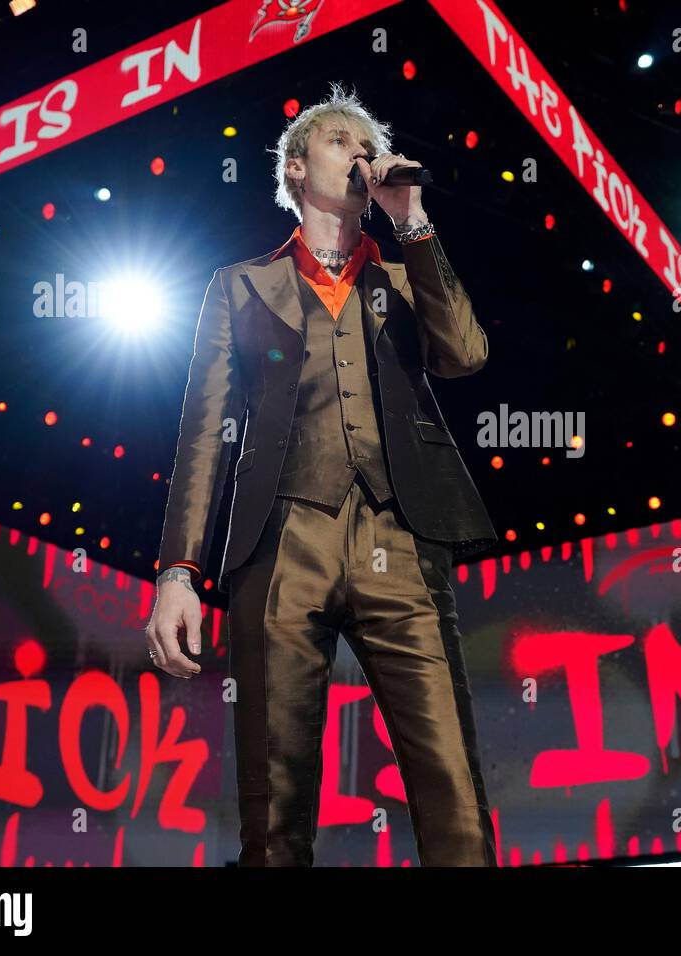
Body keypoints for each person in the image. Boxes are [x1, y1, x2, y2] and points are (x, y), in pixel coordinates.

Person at [144, 82, 499, 866]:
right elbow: (204, 434)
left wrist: (413, 224)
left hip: (401, 537)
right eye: (344, 141)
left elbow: (466, 356)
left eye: (370, 145)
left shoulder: (408, 275)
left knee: (453, 788)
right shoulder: (240, 284)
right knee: (273, 804)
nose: (362, 154)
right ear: (298, 168)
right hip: (280, 543)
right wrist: (178, 572)